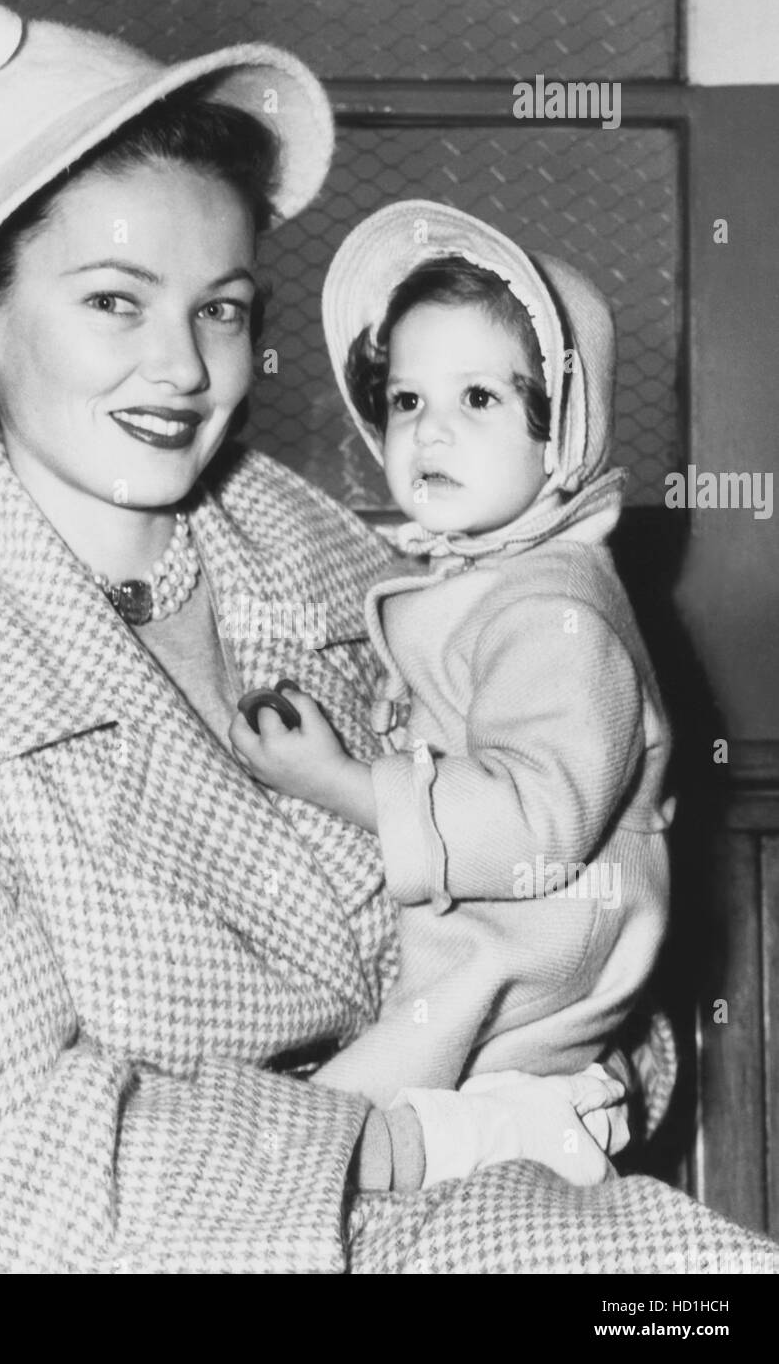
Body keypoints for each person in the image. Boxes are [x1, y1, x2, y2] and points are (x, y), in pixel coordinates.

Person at [0, 2, 773, 1273]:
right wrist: (413, 1143)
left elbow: (570, 933)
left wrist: (588, 1043)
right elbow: (19, 1183)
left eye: (224, 308)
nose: (183, 369)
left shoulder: (341, 565)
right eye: (116, 302)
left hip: (485, 1197)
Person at [229, 204, 672, 1176]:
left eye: (478, 399)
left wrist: (343, 782)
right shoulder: (490, 577)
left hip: (520, 1042)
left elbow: (537, 818)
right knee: (325, 1137)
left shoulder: (556, 612)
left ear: (561, 438)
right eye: (405, 400)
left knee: (323, 1158)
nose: (430, 430)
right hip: (486, 1018)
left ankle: (555, 1124)